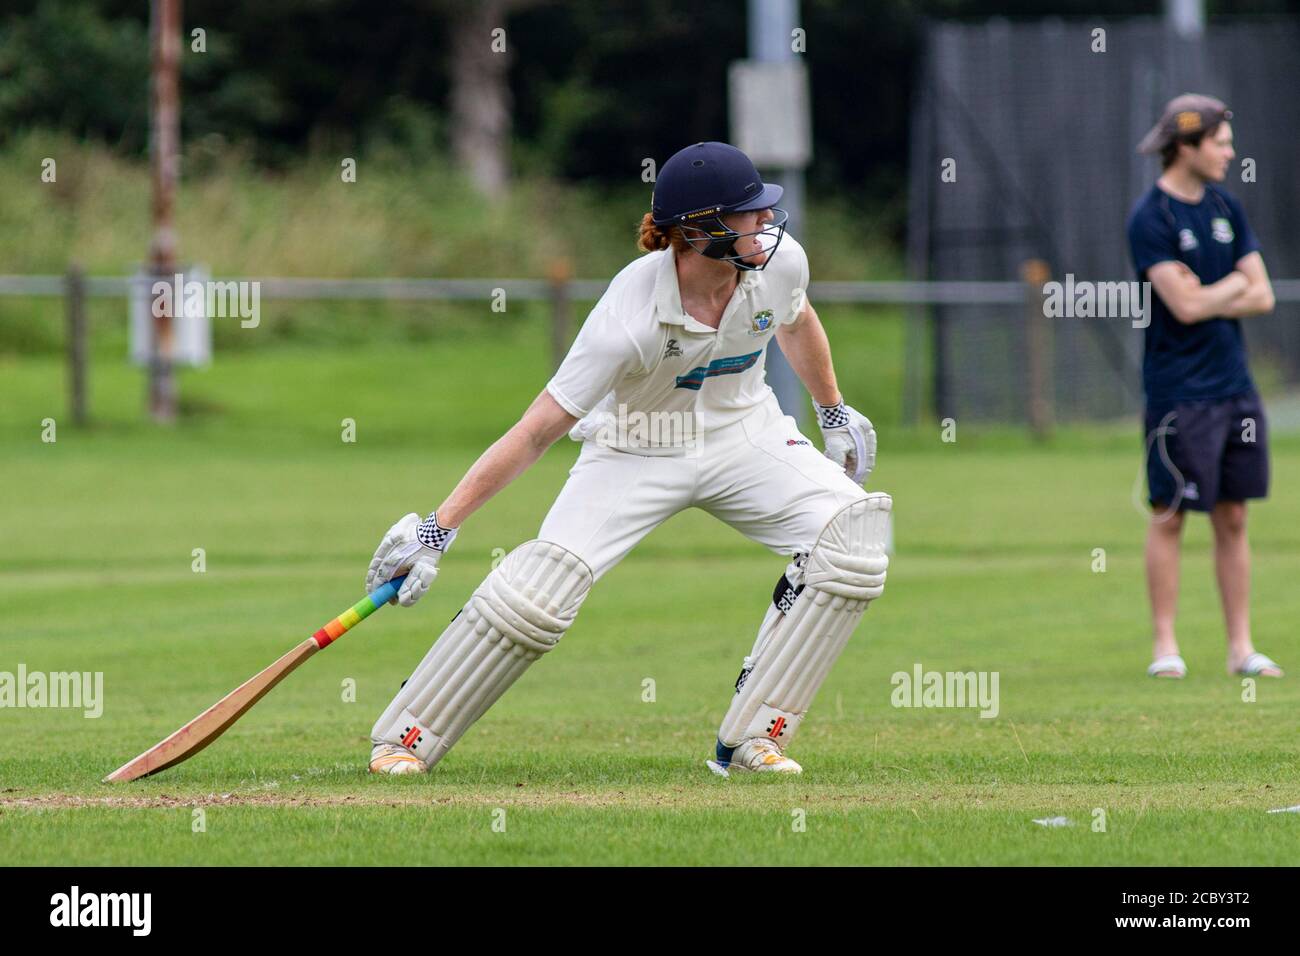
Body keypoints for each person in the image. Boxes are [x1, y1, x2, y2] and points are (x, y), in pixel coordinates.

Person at [362, 141, 890, 777]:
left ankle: (754, 739)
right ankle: (405, 738)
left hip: (746, 433)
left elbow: (796, 320)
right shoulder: (627, 315)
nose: (766, 224)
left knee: (854, 540)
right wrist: (436, 529)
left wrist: (831, 410)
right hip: (635, 446)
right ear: (698, 232)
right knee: (538, 595)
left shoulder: (778, 263)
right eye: (749, 214)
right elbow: (536, 430)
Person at [1126, 95, 1280, 680]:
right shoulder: (1151, 217)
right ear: (1187, 145)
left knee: (1234, 516)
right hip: (1178, 394)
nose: (1229, 152)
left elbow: (1262, 294)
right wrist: (1225, 290)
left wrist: (1207, 292)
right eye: (1219, 142)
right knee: (1170, 512)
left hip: (1235, 388)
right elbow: (1182, 306)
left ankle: (1241, 648)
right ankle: (1166, 646)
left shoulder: (1226, 207)